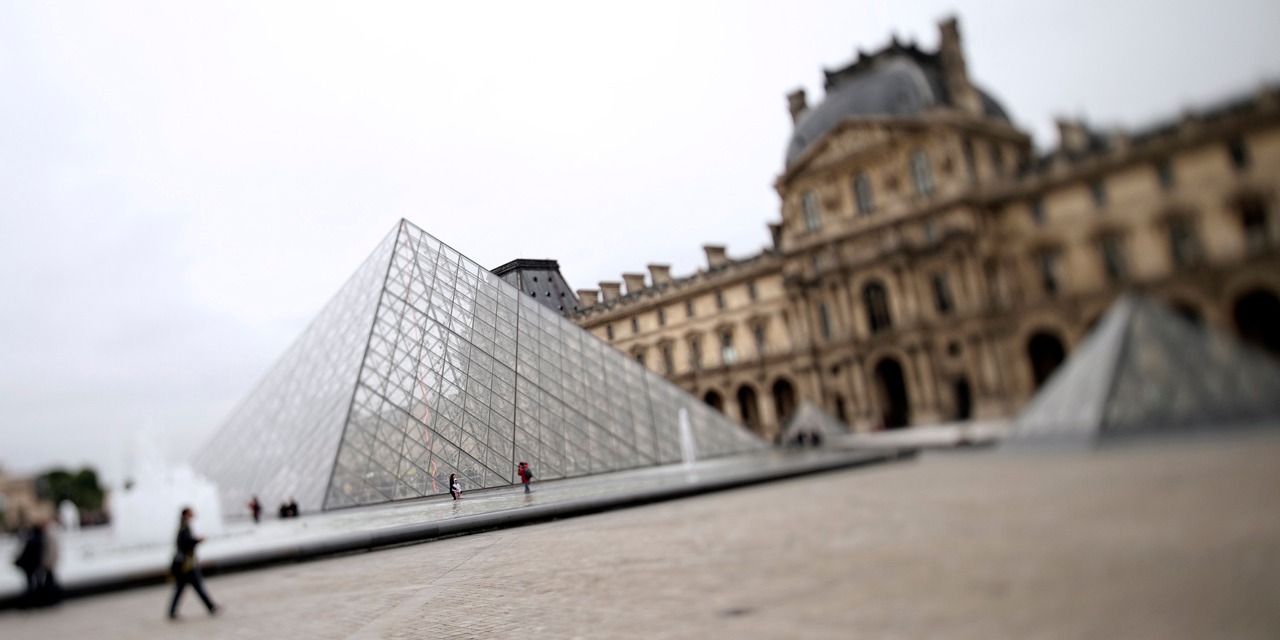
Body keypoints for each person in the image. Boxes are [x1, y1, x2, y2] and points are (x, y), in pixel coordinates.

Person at [168, 507, 219, 620]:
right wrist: (197, 540)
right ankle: (211, 607)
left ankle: (211, 607)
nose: (193, 514)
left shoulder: (185, 526)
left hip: (187, 564)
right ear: (186, 514)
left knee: (184, 588)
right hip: (187, 565)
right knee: (195, 586)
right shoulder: (183, 528)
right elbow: (184, 543)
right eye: (191, 513)